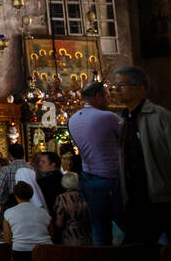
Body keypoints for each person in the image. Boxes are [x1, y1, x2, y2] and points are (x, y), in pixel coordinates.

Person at [112, 66, 171, 246]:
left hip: (162, 200)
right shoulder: (124, 120)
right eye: (115, 86)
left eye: (122, 85)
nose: (116, 90)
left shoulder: (161, 117)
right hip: (135, 200)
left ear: (140, 88)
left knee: (169, 253)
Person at [68, 80, 123, 246]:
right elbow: (130, 140)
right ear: (98, 96)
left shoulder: (73, 119)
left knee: (99, 227)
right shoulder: (108, 117)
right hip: (111, 177)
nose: (109, 100)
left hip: (89, 178)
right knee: (129, 223)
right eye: (107, 96)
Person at [0, 143, 41, 237]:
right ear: (23, 154)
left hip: (12, 203)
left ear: (10, 155)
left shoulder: (6, 169)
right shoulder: (32, 168)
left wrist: (3, 204)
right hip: (31, 201)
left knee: (14, 231)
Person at [2, 181, 52, 261]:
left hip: (20, 253)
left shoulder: (9, 213)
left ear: (16, 196)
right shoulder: (44, 212)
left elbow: (7, 239)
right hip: (45, 252)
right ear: (31, 195)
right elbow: (51, 233)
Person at [54, 171, 92, 246]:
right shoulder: (87, 196)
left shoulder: (62, 198)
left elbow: (59, 223)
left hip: (70, 238)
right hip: (88, 236)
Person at [34, 151, 65, 240]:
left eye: (43, 162)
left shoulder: (44, 183)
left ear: (53, 164)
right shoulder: (63, 179)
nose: (39, 164)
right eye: (40, 161)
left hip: (51, 221)